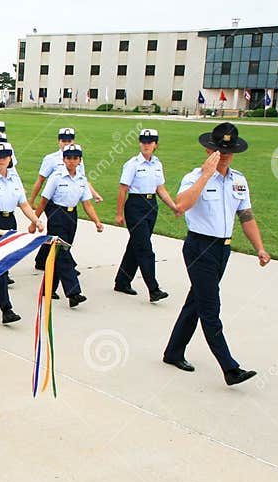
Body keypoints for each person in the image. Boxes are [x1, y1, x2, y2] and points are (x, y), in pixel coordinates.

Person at [162, 123, 268, 386]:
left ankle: (173, 351)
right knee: (210, 308)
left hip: (223, 249)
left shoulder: (239, 180)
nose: (226, 154)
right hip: (199, 247)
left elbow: (246, 216)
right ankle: (230, 368)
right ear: (209, 150)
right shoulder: (193, 178)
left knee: (197, 301)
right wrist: (206, 176)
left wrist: (260, 248)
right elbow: (180, 207)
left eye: (230, 150)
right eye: (220, 149)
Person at [0, 142, 44, 323]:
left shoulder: (14, 179)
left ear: (10, 158)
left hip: (8, 222)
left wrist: (36, 220)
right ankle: (7, 308)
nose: (1, 160)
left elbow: (23, 204)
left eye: (4, 157)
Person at [34, 144, 103, 307]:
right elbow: (44, 200)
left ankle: (48, 288)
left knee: (59, 253)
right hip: (57, 214)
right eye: (68, 158)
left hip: (72, 216)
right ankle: (73, 292)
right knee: (63, 253)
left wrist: (97, 221)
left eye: (75, 158)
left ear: (80, 160)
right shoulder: (56, 177)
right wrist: (35, 221)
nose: (71, 162)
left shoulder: (81, 179)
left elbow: (87, 204)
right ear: (64, 159)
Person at [114, 128, 179, 301]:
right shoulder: (132, 164)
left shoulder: (157, 164)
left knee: (136, 245)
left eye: (149, 142)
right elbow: (123, 189)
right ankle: (153, 288)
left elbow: (160, 189)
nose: (146, 145)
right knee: (145, 249)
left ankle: (122, 281)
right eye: (143, 141)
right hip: (135, 206)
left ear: (156, 144)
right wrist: (119, 213)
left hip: (151, 206)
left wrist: (173, 206)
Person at [29, 127, 103, 271]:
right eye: (63, 140)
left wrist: (94, 193)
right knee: (59, 233)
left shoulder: (77, 158)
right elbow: (40, 181)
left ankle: (42, 260)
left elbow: (82, 180)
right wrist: (31, 202)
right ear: (58, 142)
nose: (66, 143)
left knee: (55, 234)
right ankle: (67, 266)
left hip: (69, 201)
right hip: (53, 202)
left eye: (69, 140)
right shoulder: (50, 159)